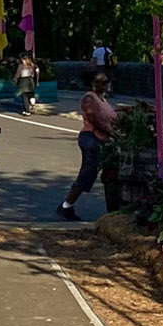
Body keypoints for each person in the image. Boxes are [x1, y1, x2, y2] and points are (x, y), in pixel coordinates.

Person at [58, 70, 117, 220]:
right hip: (91, 138)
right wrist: (112, 133)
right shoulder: (90, 98)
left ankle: (115, 209)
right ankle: (66, 205)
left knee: (110, 172)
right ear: (92, 83)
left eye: (105, 82)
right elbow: (94, 119)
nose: (102, 85)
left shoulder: (102, 99)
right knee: (88, 172)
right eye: (98, 82)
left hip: (102, 139)